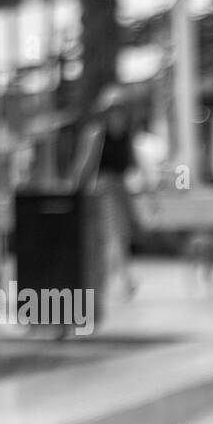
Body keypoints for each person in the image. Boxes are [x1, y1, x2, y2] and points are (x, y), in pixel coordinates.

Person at [73, 86, 140, 302]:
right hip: (101, 190)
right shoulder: (96, 135)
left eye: (120, 111)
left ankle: (110, 282)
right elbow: (85, 166)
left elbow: (132, 165)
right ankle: (121, 281)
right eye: (113, 111)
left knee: (123, 234)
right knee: (111, 236)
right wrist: (76, 191)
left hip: (121, 189)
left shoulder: (126, 137)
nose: (117, 116)